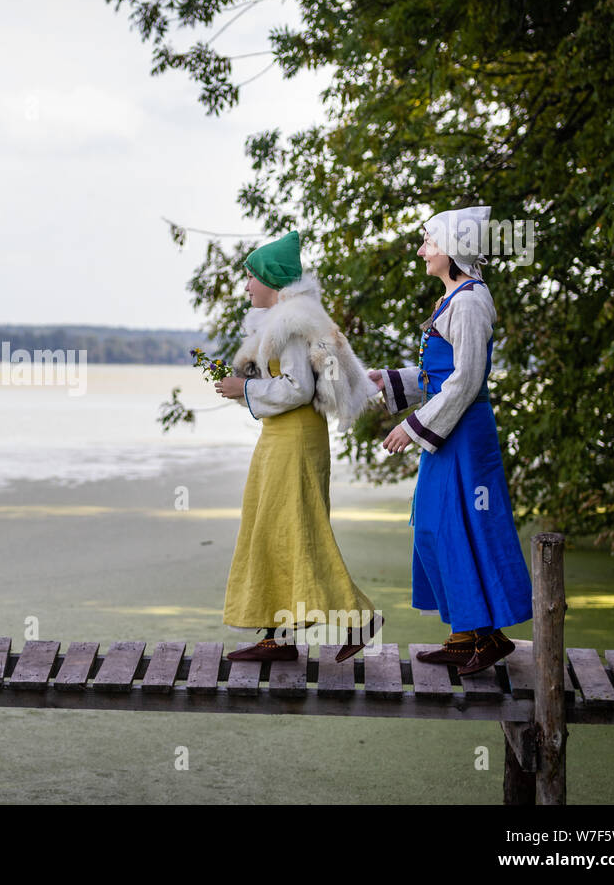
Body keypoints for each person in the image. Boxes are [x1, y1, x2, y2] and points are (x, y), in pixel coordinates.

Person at [369, 205, 532, 676]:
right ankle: (464, 634)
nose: (422, 250)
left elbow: (465, 381)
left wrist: (411, 426)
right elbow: (440, 377)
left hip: (464, 435)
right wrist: (393, 381)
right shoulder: (455, 297)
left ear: (454, 249)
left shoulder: (470, 302)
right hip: (449, 432)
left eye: (429, 243)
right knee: (433, 527)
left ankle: (490, 636)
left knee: (468, 526)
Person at [214, 230, 381, 664]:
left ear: (271, 282)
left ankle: (358, 619)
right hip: (282, 438)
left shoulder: (289, 323)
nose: (247, 286)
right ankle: (279, 635)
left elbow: (296, 388)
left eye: (251, 277)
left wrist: (245, 389)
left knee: (299, 531)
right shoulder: (283, 320)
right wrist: (248, 390)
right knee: (274, 529)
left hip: (294, 439)